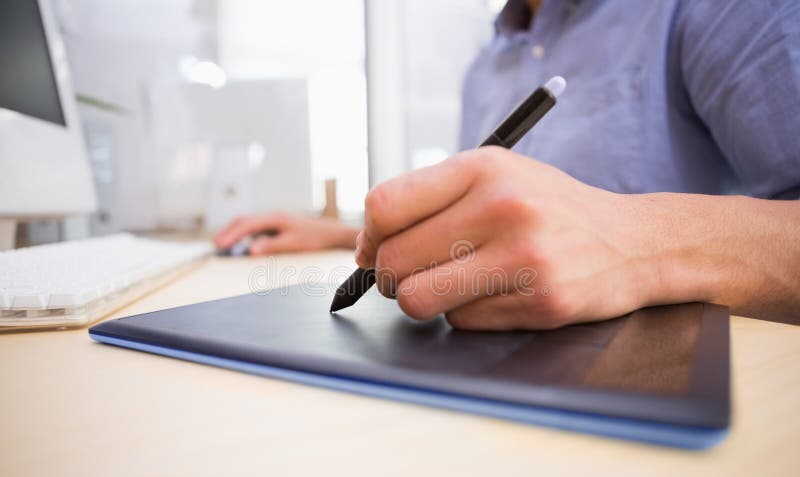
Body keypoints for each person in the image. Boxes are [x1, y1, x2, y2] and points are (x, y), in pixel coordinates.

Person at [216, 0, 800, 328]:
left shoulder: (719, 11)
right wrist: (344, 233)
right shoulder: (483, 67)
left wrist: (640, 244)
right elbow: (483, 228)